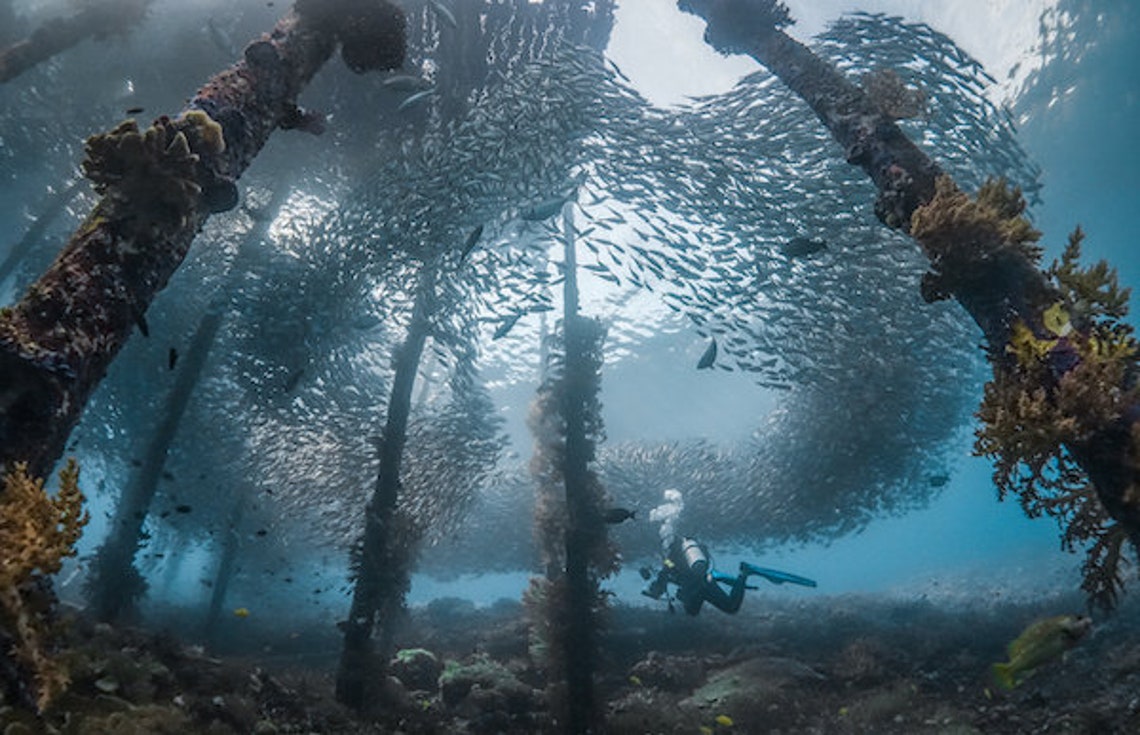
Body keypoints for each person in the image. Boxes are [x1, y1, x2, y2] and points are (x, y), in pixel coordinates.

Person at [640, 536, 816, 616]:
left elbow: (658, 589)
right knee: (726, 607)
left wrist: (651, 590)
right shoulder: (682, 558)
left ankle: (744, 573)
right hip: (706, 581)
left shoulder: (668, 564)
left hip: (702, 586)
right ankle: (742, 574)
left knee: (698, 610)